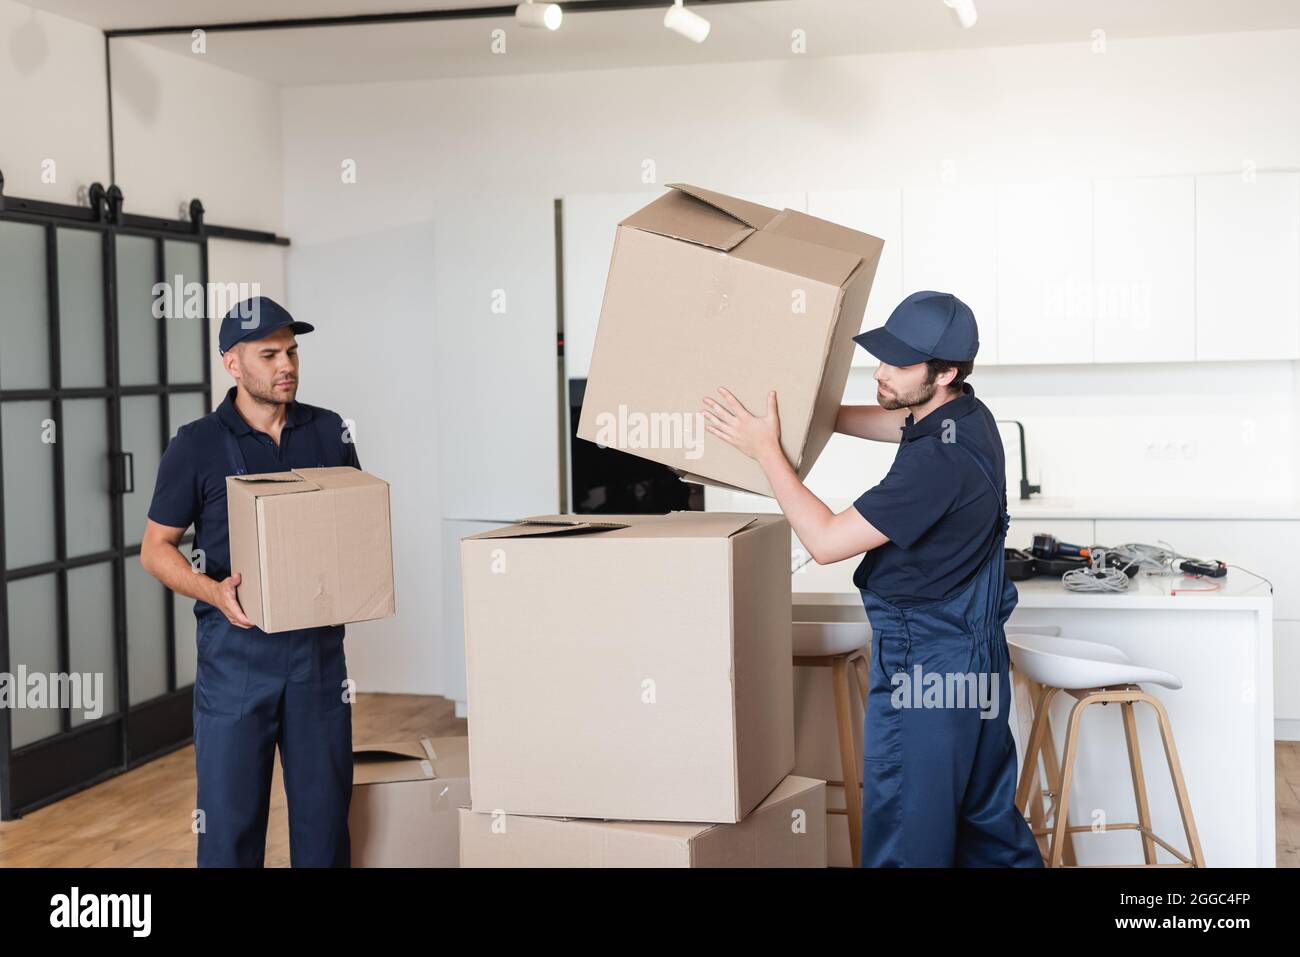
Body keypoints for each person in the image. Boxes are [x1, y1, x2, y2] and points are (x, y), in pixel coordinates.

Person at [702, 290, 1043, 868]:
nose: (881, 373)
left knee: (910, 833)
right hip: (975, 660)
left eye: (899, 365)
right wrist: (817, 416)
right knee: (985, 824)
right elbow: (894, 423)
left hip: (927, 667)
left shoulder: (939, 462)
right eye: (881, 357)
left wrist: (767, 451)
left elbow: (827, 541)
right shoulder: (966, 418)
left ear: (944, 373)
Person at [139, 296, 359, 867]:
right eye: (269, 354)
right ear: (232, 364)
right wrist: (213, 591)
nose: (286, 365)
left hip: (317, 655)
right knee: (230, 828)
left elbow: (352, 526)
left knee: (325, 822)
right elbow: (155, 549)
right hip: (236, 658)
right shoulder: (197, 444)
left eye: (292, 351)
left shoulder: (330, 431)